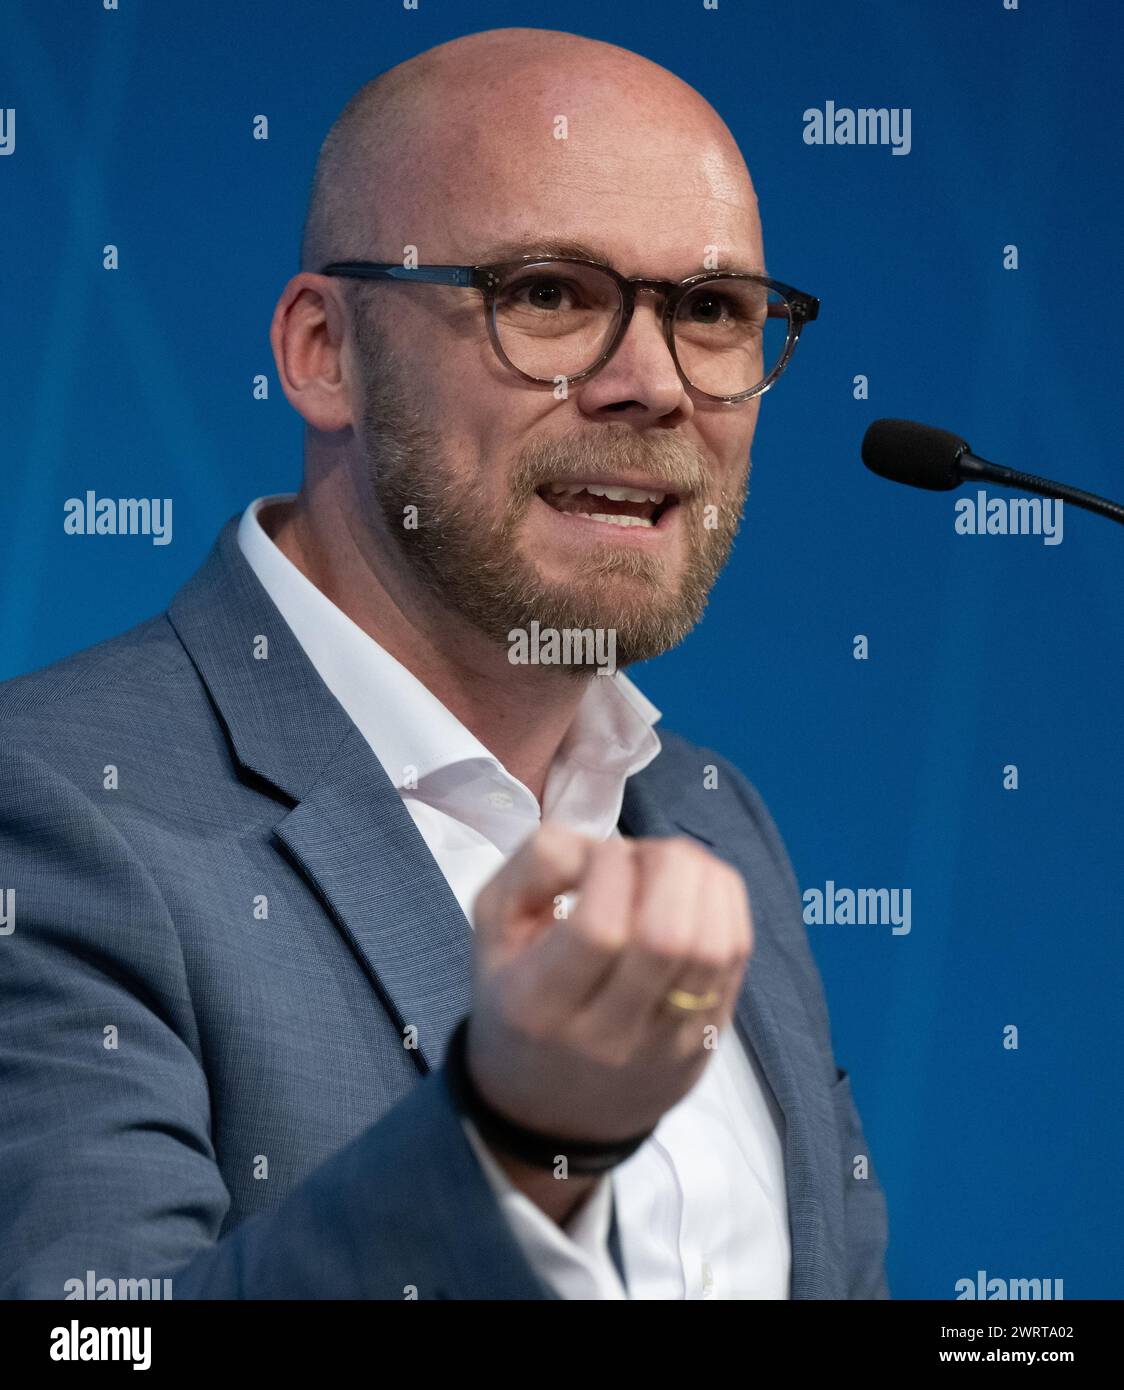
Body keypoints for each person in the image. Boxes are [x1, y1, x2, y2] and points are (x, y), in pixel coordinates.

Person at [0, 26, 889, 1300]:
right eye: (545, 294)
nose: (650, 384)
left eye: (709, 312)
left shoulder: (713, 815)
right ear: (324, 352)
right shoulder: (48, 807)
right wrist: (515, 1143)